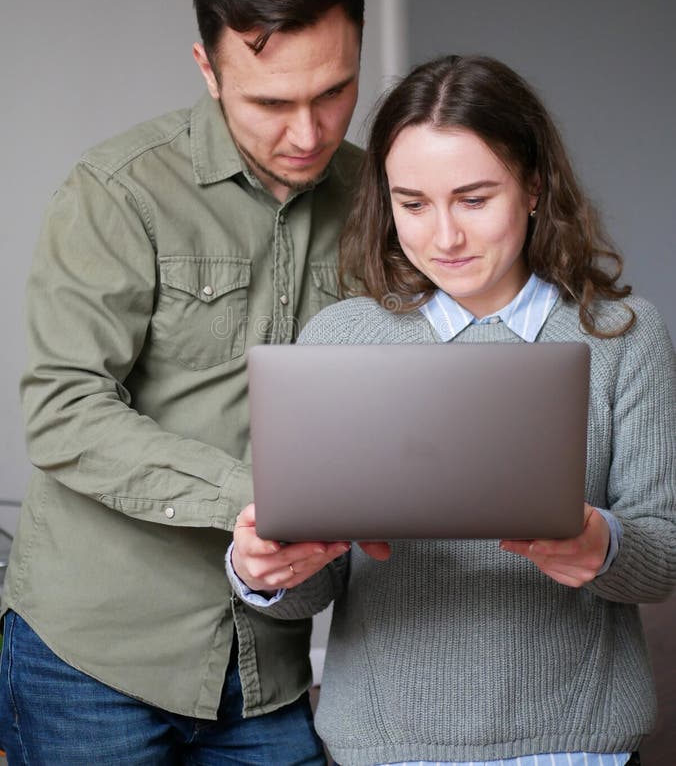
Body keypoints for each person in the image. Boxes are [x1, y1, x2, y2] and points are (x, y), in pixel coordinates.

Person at [228, 54, 675, 766]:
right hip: (383, 748)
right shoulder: (341, 338)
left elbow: (664, 556)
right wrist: (262, 571)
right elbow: (307, 591)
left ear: (533, 187)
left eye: (473, 199)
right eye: (412, 203)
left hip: (574, 746)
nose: (444, 238)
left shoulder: (622, 336)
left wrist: (603, 547)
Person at [0, 0, 365, 765]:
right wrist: (263, 492)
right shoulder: (118, 191)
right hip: (92, 655)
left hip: (271, 661)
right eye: (270, 102)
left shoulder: (381, 198)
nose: (308, 132)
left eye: (335, 92)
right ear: (207, 70)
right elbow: (64, 411)